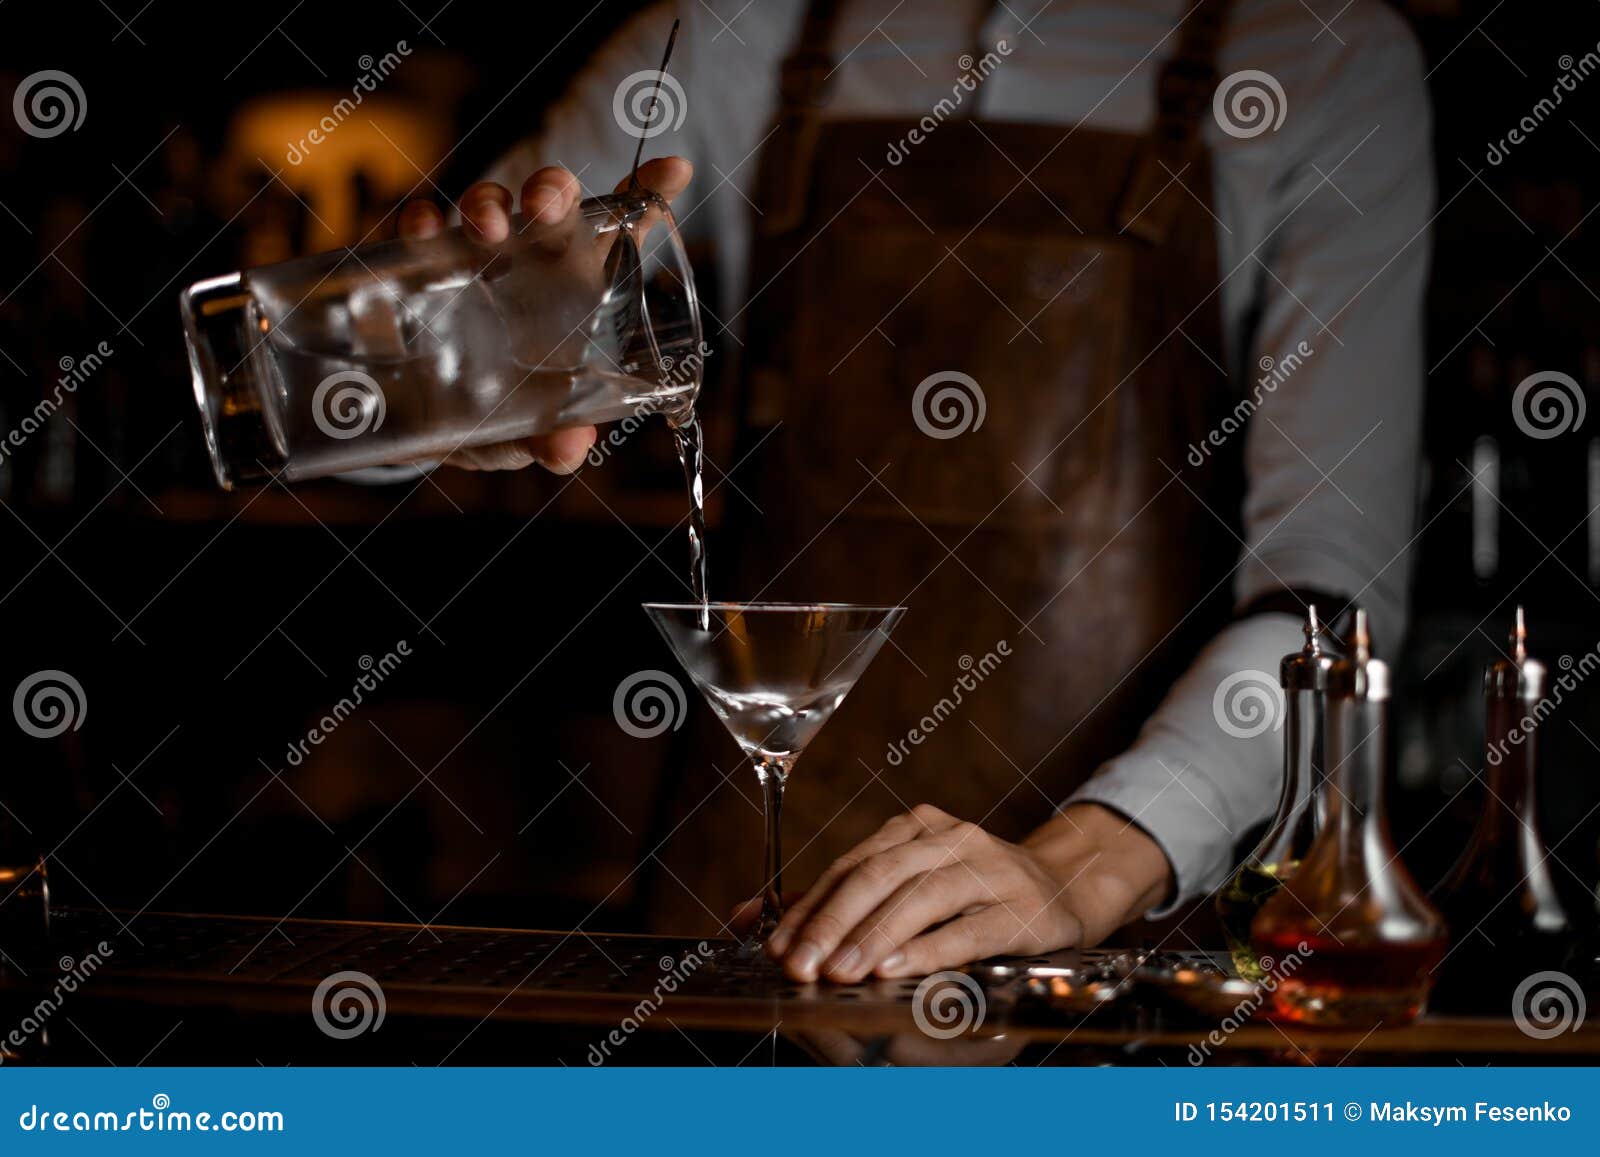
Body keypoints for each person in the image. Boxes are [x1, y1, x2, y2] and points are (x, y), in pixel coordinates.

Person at [398, 0, 1431, 983]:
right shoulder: (731, 29)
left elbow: (1327, 597)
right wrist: (452, 370)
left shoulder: (1320, 50)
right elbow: (425, 354)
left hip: (1101, 960)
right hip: (742, 923)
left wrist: (1079, 867)